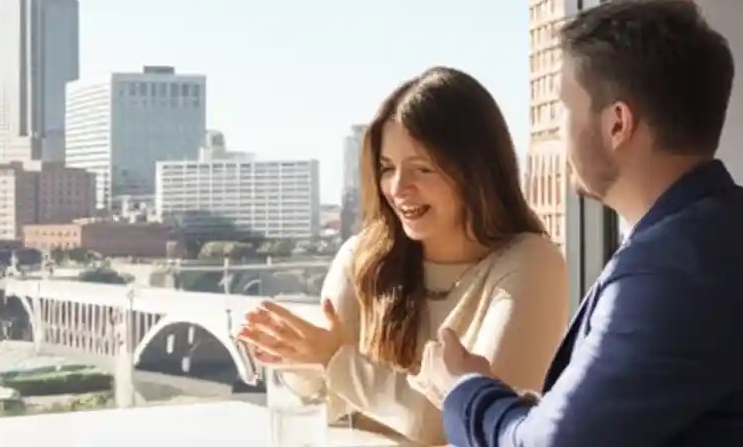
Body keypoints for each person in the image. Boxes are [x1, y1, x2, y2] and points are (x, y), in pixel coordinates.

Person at [420, 0, 743, 446]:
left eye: (563, 108)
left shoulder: (676, 265)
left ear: (617, 124)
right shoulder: (722, 227)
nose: (556, 130)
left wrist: (463, 390)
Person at [237, 66, 567, 445]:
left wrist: (335, 360)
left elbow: (469, 422)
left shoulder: (531, 263)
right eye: (387, 168)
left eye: (422, 169)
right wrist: (291, 352)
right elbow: (320, 403)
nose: (398, 188)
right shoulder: (364, 257)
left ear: (477, 172)